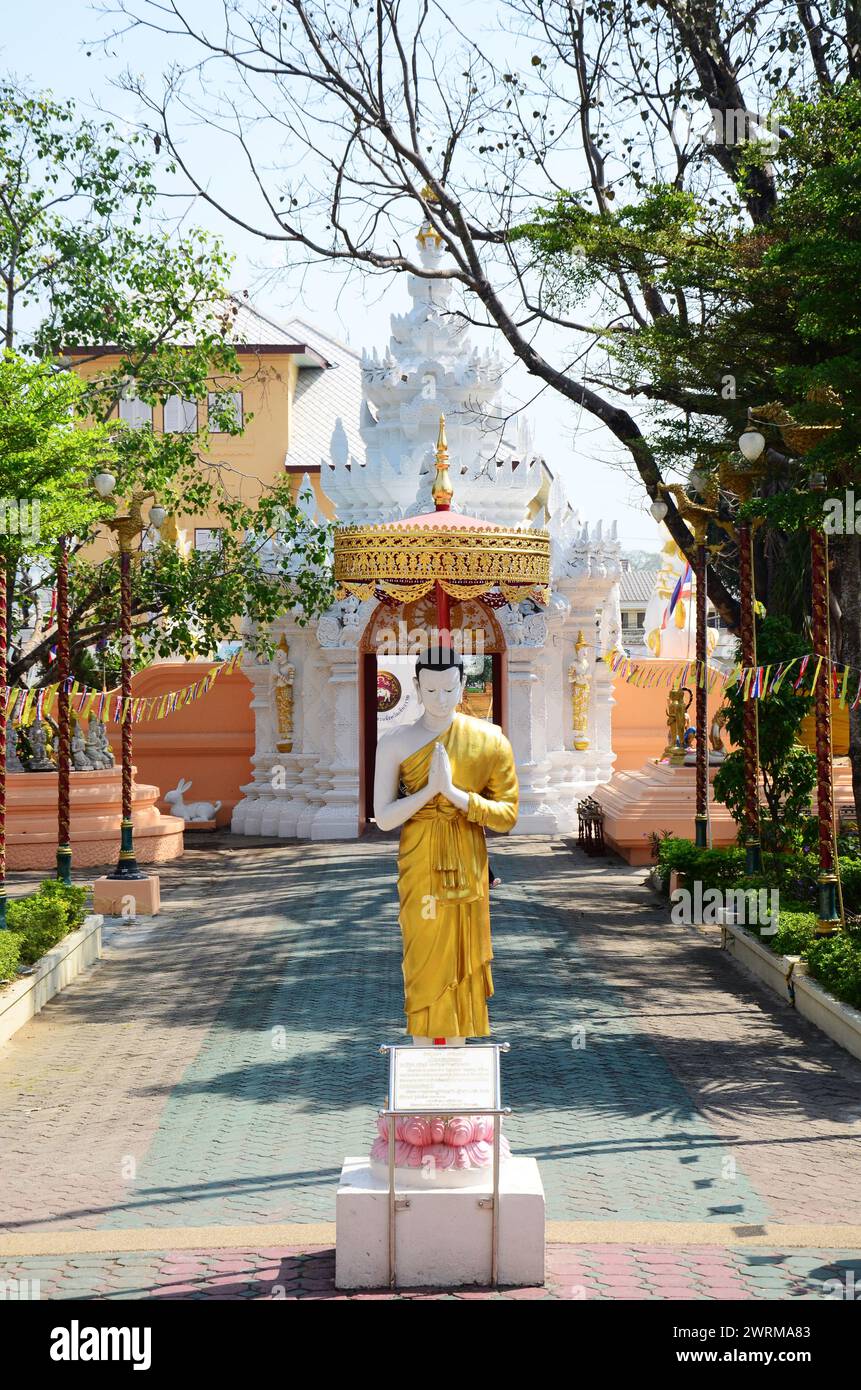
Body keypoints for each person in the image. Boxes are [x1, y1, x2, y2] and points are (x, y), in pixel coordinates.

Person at [374, 648, 518, 1041]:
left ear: (463, 686)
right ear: (417, 687)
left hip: (467, 859)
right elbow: (384, 817)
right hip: (419, 860)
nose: (440, 699)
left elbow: (507, 815)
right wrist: (428, 793)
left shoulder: (489, 739)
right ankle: (423, 1045)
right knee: (423, 951)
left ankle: (458, 1048)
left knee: (462, 954)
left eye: (448, 689)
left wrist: (455, 795)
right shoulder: (394, 741)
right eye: (431, 689)